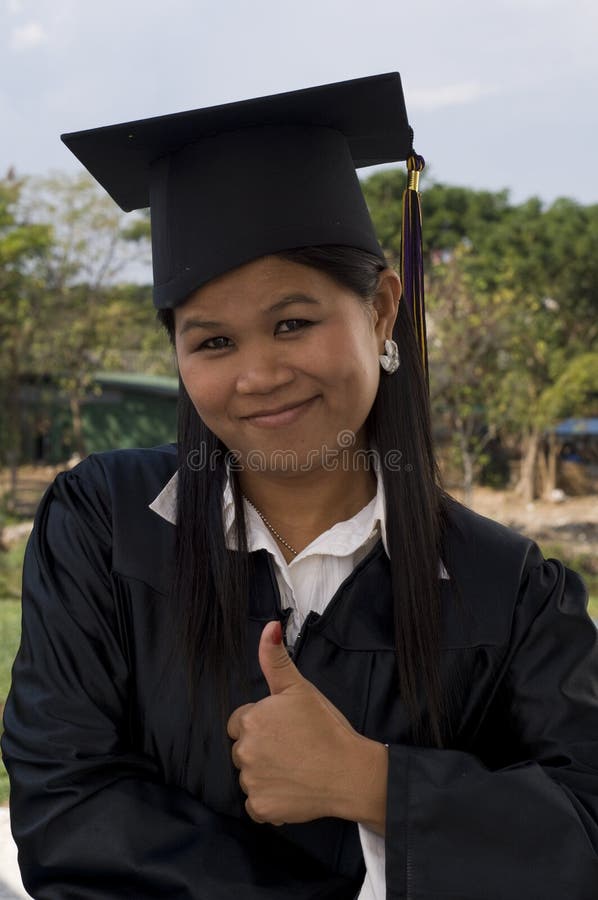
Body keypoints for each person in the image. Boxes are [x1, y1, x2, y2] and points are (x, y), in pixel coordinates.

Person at [2, 73, 598, 900]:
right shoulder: (106, 527)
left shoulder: (510, 593)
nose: (258, 375)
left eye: (294, 323)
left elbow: (587, 832)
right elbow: (66, 809)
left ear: (383, 309)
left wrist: (375, 782)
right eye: (212, 342)